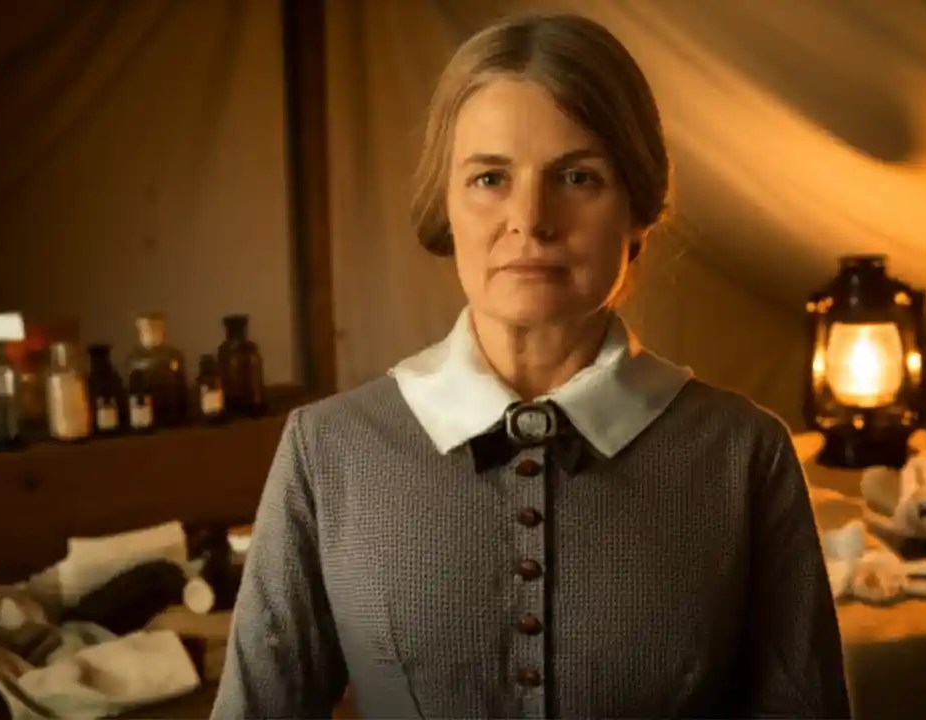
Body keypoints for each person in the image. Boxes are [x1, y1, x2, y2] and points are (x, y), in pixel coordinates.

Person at [211, 12, 849, 719]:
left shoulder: (743, 457)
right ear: (446, 205)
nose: (530, 219)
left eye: (577, 176)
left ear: (638, 209)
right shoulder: (327, 453)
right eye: (489, 178)